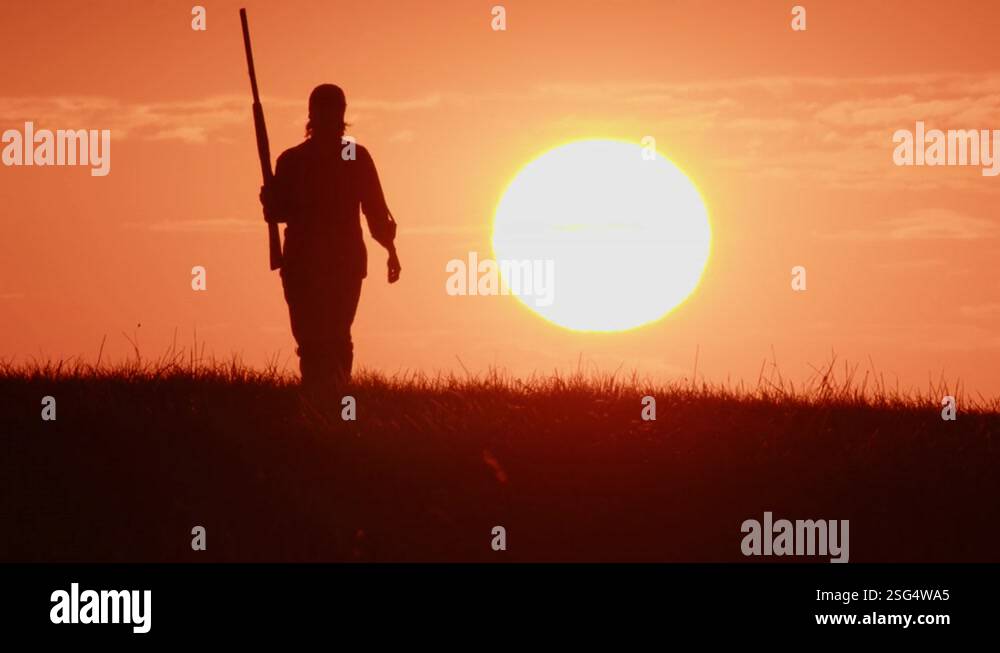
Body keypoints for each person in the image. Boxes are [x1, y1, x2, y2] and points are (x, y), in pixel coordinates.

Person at [259, 83, 401, 389]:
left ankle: (333, 402)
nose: (328, 116)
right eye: (324, 109)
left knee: (334, 336)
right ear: (313, 113)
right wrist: (268, 200)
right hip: (305, 264)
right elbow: (278, 213)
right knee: (313, 338)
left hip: (338, 263)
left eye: (332, 109)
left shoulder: (347, 156)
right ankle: (322, 402)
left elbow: (375, 211)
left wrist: (391, 251)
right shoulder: (294, 159)